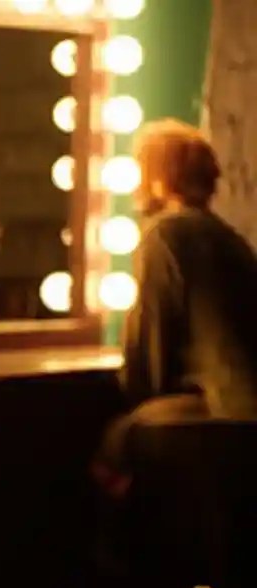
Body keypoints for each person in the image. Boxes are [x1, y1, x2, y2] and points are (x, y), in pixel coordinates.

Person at [96, 118, 257, 492]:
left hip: (229, 413)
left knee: (119, 440)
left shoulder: (164, 234)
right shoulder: (227, 236)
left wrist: (134, 397)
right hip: (241, 408)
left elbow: (150, 349)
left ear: (158, 177)